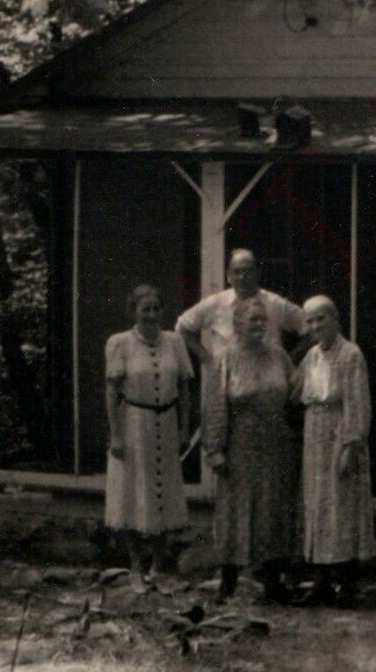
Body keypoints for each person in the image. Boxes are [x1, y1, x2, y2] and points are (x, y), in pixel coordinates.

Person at [200, 295, 299, 604]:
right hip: (239, 445)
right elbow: (215, 407)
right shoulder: (225, 358)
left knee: (272, 510)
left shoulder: (280, 357)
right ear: (238, 324)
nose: (259, 325)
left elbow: (295, 398)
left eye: (262, 320)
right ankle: (228, 583)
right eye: (252, 320)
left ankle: (272, 582)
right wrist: (215, 449)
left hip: (275, 445)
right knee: (235, 512)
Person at [104, 284, 193, 590]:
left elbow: (184, 389)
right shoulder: (120, 343)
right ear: (134, 312)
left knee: (164, 491)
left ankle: (159, 566)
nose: (152, 315)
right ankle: (135, 566)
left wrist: (184, 429)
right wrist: (115, 434)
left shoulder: (175, 342)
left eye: (156, 308)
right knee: (133, 491)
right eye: (146, 309)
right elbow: (111, 390)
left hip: (166, 422)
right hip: (134, 423)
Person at [291, 295, 376, 606]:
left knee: (343, 506)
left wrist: (350, 445)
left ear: (335, 319)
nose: (315, 326)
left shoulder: (350, 355)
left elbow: (357, 402)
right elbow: (294, 389)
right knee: (317, 506)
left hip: (339, 434)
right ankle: (322, 580)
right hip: (314, 435)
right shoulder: (311, 356)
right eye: (310, 321)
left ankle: (348, 584)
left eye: (321, 319)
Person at [176, 249, 305, 371]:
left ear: (257, 274)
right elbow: (182, 327)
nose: (242, 278)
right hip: (228, 382)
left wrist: (288, 361)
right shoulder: (215, 303)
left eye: (247, 271)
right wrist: (208, 360)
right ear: (228, 276)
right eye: (236, 272)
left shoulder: (275, 304)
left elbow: (308, 326)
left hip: (269, 384)